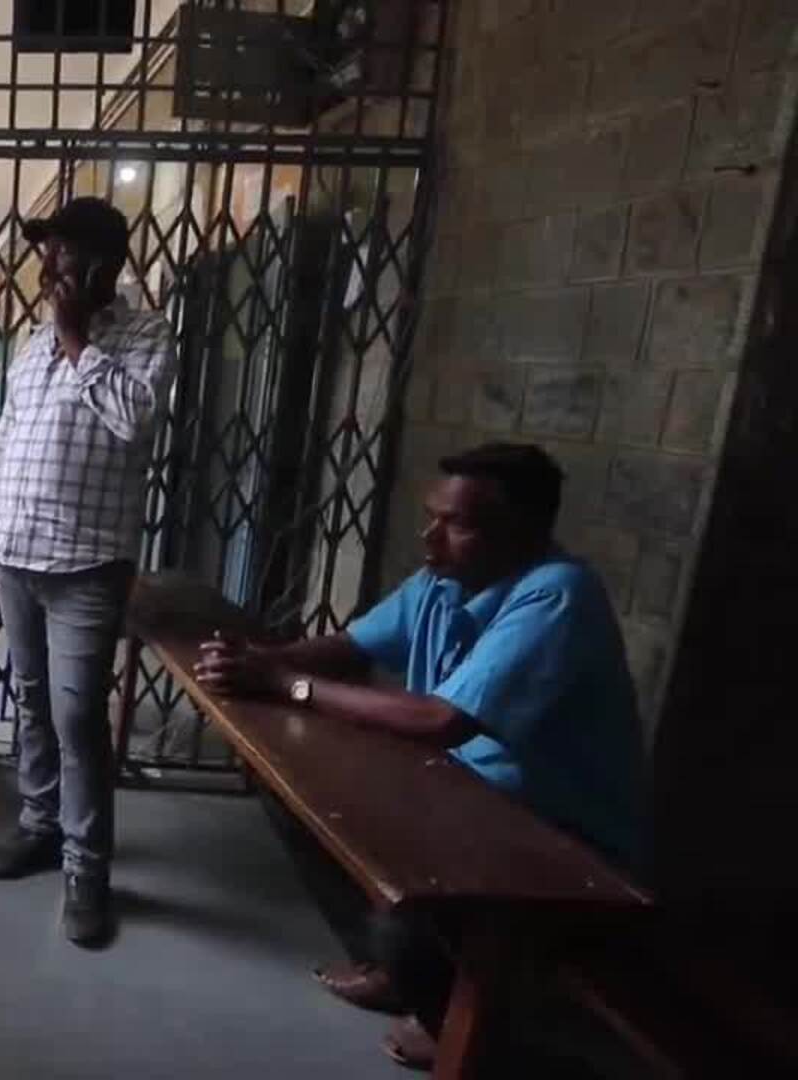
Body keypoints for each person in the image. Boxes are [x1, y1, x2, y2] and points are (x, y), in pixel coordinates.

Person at [192, 442, 647, 1071]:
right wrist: (262, 659)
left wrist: (285, 684)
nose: (430, 536)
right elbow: (352, 646)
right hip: (462, 795)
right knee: (298, 796)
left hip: (557, 838)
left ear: (521, 530)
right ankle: (401, 973)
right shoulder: (441, 581)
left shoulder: (556, 595)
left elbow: (442, 721)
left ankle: (457, 1022)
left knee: (411, 905)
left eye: (455, 523)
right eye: (431, 515)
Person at [0, 196, 178, 947]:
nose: (49, 268)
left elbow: (133, 422)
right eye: (47, 254)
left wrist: (75, 342)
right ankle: (40, 824)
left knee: (76, 719)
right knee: (31, 701)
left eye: (62, 255)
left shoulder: (146, 336)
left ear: (104, 265)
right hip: (16, 556)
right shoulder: (32, 342)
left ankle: (86, 872)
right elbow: (11, 437)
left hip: (87, 565)